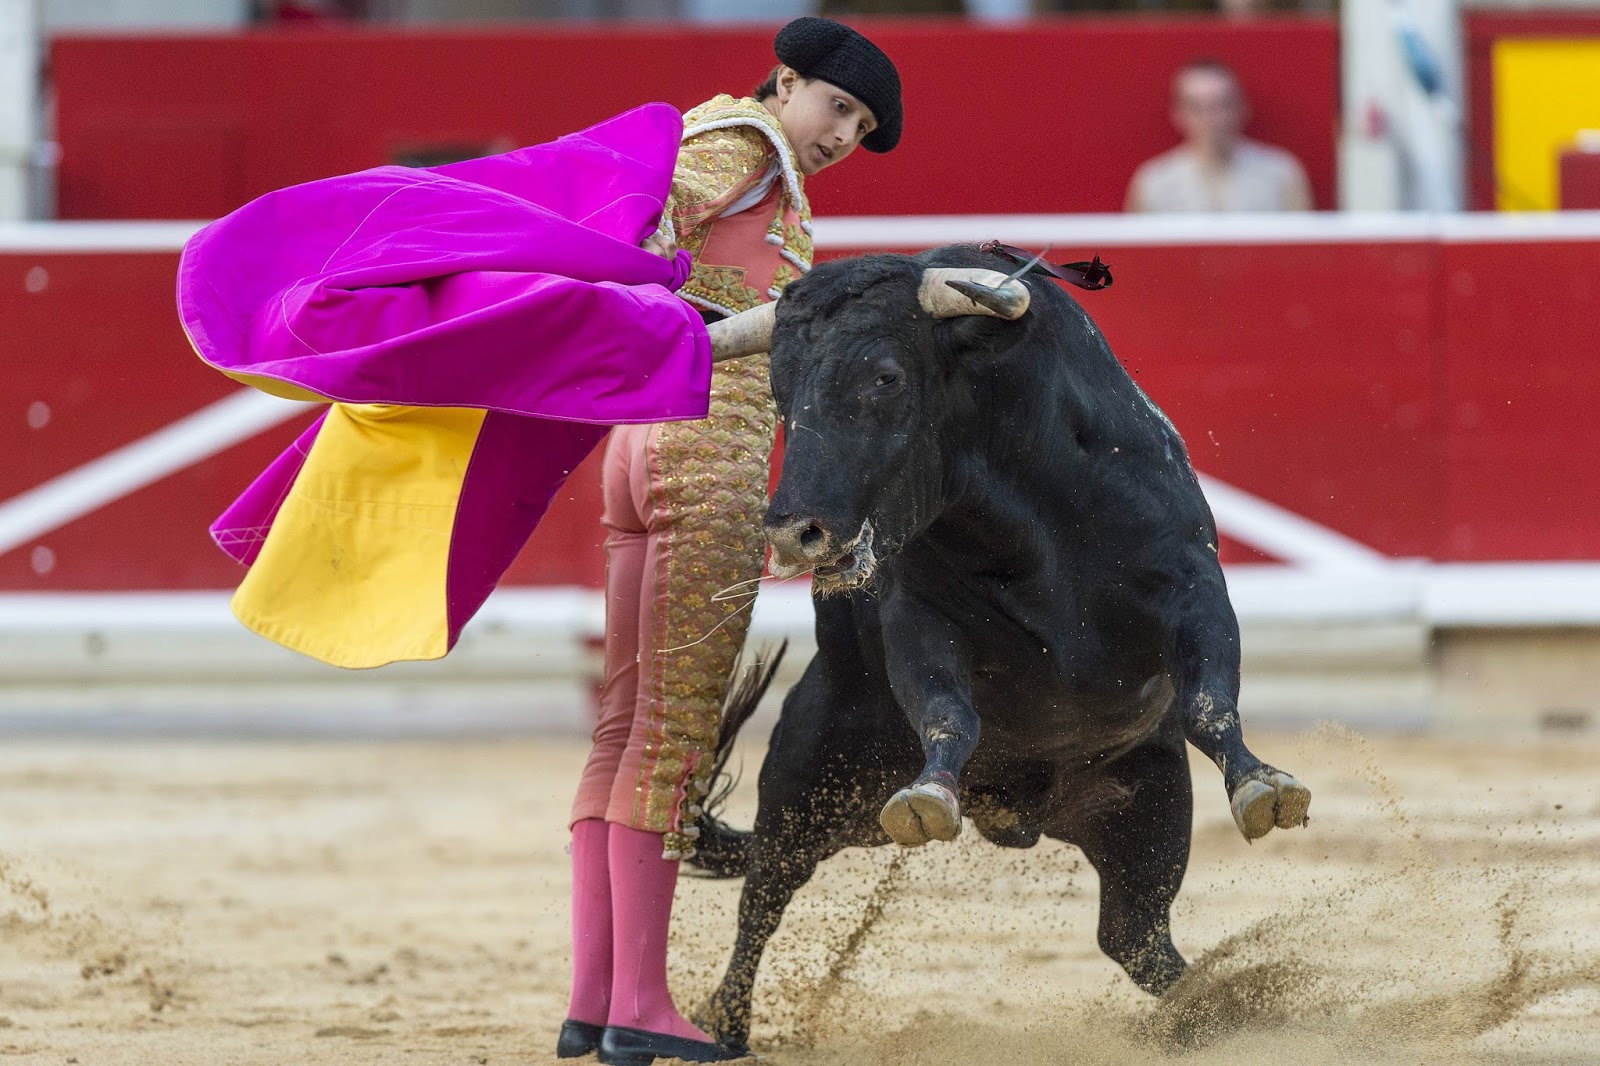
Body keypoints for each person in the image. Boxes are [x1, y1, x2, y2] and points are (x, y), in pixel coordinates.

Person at [560, 17, 903, 1066]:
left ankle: (596, 1001)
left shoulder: (749, 158)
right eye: (837, 106)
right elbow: (636, 226)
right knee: (669, 736)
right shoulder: (744, 146)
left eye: (862, 126)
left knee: (623, 730)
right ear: (784, 79)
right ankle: (640, 1007)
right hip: (701, 450)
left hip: (640, 442)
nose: (843, 135)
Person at [1125, 59, 1312, 213]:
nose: (1211, 118)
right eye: (1197, 107)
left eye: (1222, 105)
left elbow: (1302, 242)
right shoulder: (1153, 182)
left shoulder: (1281, 174)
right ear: (1178, 114)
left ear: (1242, 108)